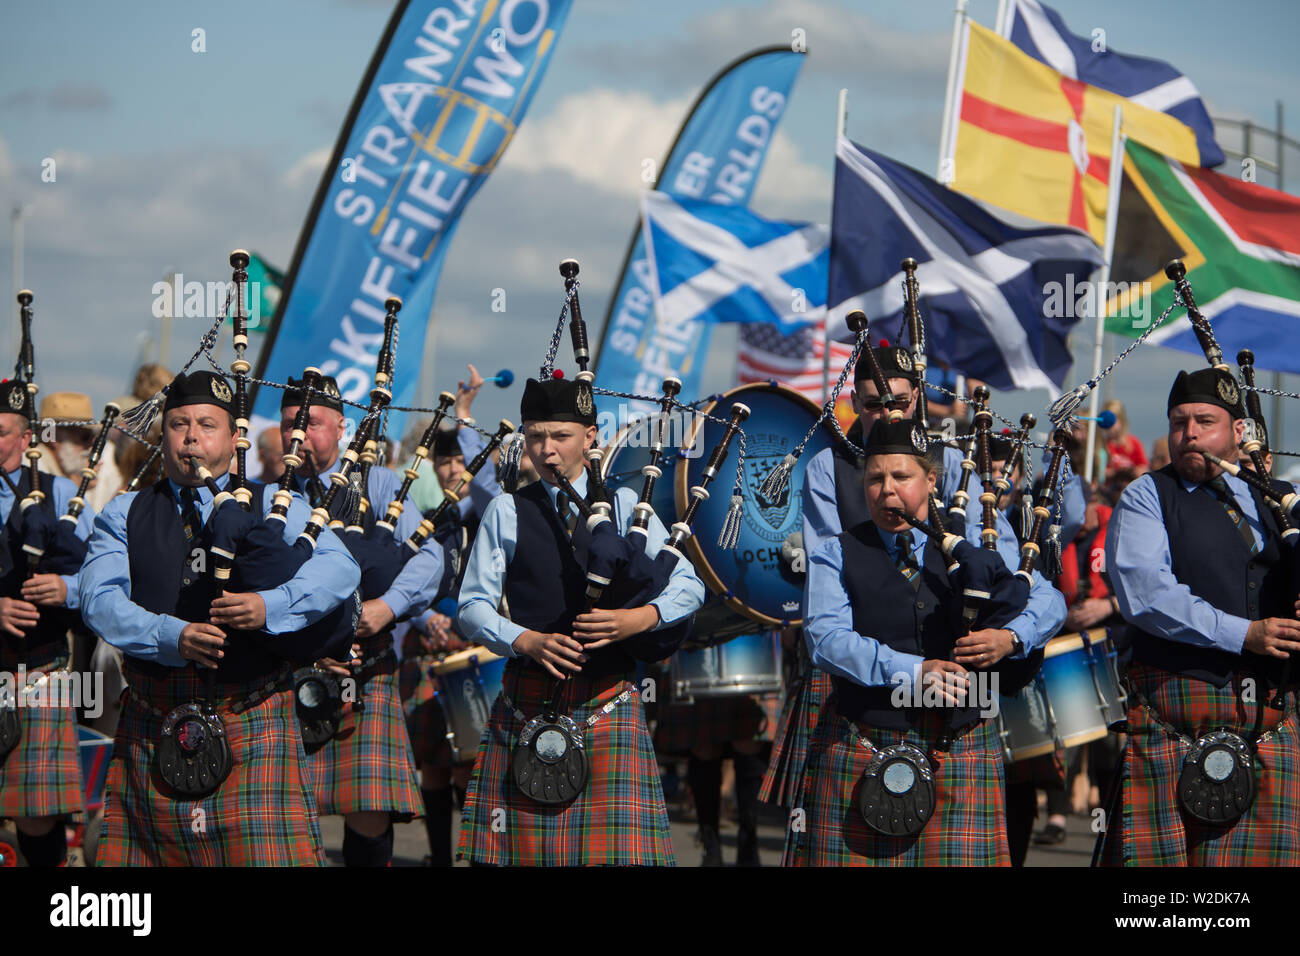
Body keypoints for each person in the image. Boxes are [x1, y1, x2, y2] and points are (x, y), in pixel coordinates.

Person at [79, 370, 361, 865]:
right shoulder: (125, 512)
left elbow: (340, 569)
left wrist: (269, 606)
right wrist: (173, 635)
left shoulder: (278, 505)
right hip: (153, 719)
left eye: (207, 425)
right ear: (162, 435)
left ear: (234, 439)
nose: (191, 436)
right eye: (178, 424)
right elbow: (99, 600)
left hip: (249, 714)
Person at [455, 376, 705, 865]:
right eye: (534, 436)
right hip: (530, 702)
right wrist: (524, 640)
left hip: (609, 700)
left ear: (590, 437)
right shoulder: (508, 510)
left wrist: (641, 618)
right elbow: (473, 607)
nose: (546, 451)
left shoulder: (631, 506)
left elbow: (690, 584)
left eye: (560, 437)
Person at [794, 417, 1066, 865]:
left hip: (959, 750)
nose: (887, 490)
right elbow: (825, 638)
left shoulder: (978, 546)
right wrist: (914, 671)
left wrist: (1011, 637)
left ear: (931, 481)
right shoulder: (835, 551)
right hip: (865, 743)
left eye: (901, 476)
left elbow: (1049, 599)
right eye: (876, 478)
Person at [1098, 368, 1300, 866]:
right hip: (1177, 714)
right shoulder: (1148, 496)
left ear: (1238, 433)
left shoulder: (1279, 499)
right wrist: (1244, 634)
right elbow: (1147, 593)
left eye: (1204, 421)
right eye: (1178, 421)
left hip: (1273, 716)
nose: (1189, 433)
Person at [279, 374, 440, 867]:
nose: (298, 435)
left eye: (311, 423)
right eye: (289, 424)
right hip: (290, 670)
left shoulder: (382, 484)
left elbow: (429, 557)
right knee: (283, 805)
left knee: (367, 807)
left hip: (366, 667)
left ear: (343, 428)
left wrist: (386, 607)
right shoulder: (272, 496)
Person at [398, 364, 504, 866]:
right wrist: (422, 620)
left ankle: (476, 856)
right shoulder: (425, 523)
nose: (452, 468)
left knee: (471, 764)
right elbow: (398, 585)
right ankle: (441, 859)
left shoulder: (489, 514)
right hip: (427, 649)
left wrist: (464, 415)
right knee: (433, 769)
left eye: (460, 458)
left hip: (477, 650)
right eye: (444, 461)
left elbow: (484, 480)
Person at [0, 380, 97, 867]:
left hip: (41, 663)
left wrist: (66, 590)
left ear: (25, 437)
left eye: (0, 432)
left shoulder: (62, 494)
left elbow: (104, 576)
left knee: (37, 811)